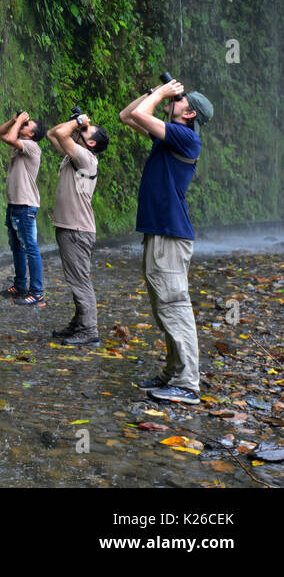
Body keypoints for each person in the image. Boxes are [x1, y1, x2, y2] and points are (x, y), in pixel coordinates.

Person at [118, 79, 214, 405]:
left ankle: (187, 384)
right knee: (164, 307)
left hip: (170, 235)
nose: (177, 98)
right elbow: (128, 116)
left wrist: (160, 95)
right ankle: (174, 372)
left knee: (174, 305)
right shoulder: (170, 137)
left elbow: (143, 116)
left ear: (190, 113)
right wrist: (153, 95)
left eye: (181, 98)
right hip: (161, 231)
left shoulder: (186, 137)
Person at [47, 111, 109, 346]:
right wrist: (77, 125)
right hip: (71, 227)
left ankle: (89, 329)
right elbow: (54, 133)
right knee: (75, 278)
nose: (79, 131)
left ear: (91, 143)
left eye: (84, 132)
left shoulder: (85, 158)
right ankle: (79, 323)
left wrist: (78, 122)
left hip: (77, 229)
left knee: (79, 280)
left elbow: (62, 132)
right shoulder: (75, 155)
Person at [0, 111, 47, 306]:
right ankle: (19, 286)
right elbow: (0, 133)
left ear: (32, 134)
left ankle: (37, 293)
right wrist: (13, 120)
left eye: (26, 125)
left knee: (31, 248)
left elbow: (9, 137)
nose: (22, 126)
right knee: (17, 247)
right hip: (14, 204)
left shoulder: (32, 147)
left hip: (25, 206)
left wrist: (18, 122)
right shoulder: (21, 145)